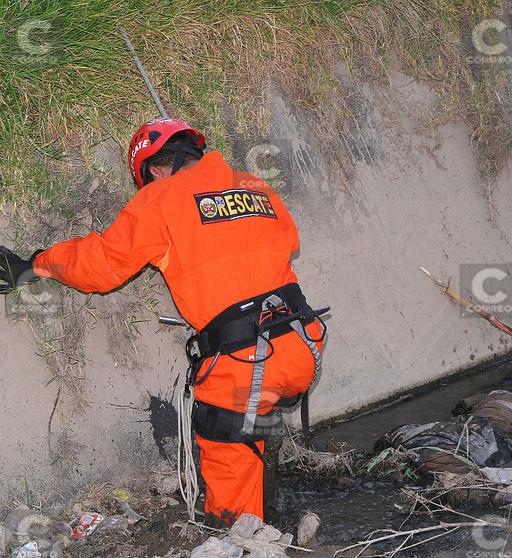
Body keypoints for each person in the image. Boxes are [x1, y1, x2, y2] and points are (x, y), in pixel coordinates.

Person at [0, 118, 325, 524]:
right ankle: (270, 498)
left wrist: (36, 264)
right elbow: (288, 240)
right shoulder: (256, 186)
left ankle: (243, 542)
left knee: (225, 442)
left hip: (245, 357)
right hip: (301, 340)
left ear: (154, 169)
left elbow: (102, 266)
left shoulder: (161, 198)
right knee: (254, 419)